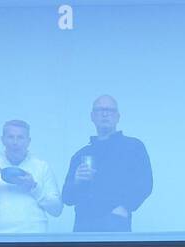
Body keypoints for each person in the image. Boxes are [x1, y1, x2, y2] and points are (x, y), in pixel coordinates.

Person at [61, 95, 152, 232]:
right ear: (92, 116)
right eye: (99, 110)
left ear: (118, 116)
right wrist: (76, 181)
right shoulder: (81, 155)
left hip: (115, 223)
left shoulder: (133, 147)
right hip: (83, 226)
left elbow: (145, 184)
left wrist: (125, 206)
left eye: (110, 110)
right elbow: (67, 198)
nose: (104, 114)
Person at [0, 120, 63, 233]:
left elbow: (57, 209)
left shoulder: (42, 167)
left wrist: (34, 187)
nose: (15, 142)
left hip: (35, 239)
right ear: (2, 140)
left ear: (28, 141)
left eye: (20, 137)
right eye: (10, 137)